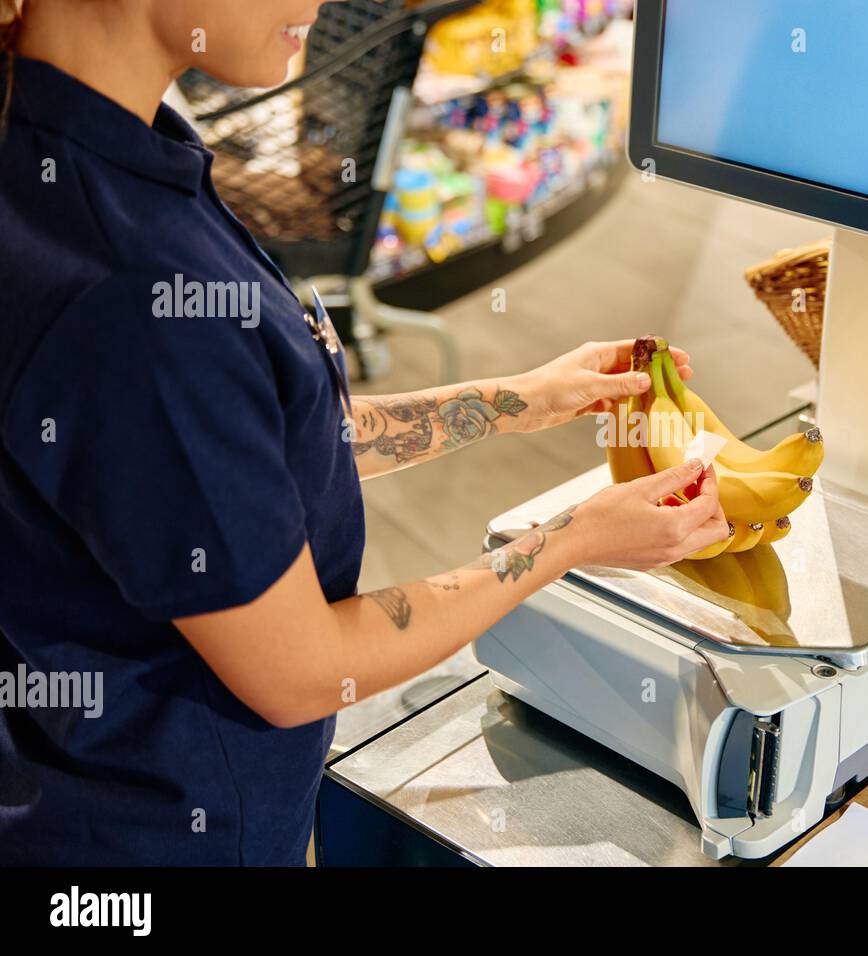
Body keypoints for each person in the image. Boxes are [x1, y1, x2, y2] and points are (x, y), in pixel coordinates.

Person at [0, 0, 727, 865]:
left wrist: (522, 398)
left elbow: (248, 453)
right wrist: (572, 537)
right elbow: (299, 669)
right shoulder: (136, 295)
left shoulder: (79, 157)